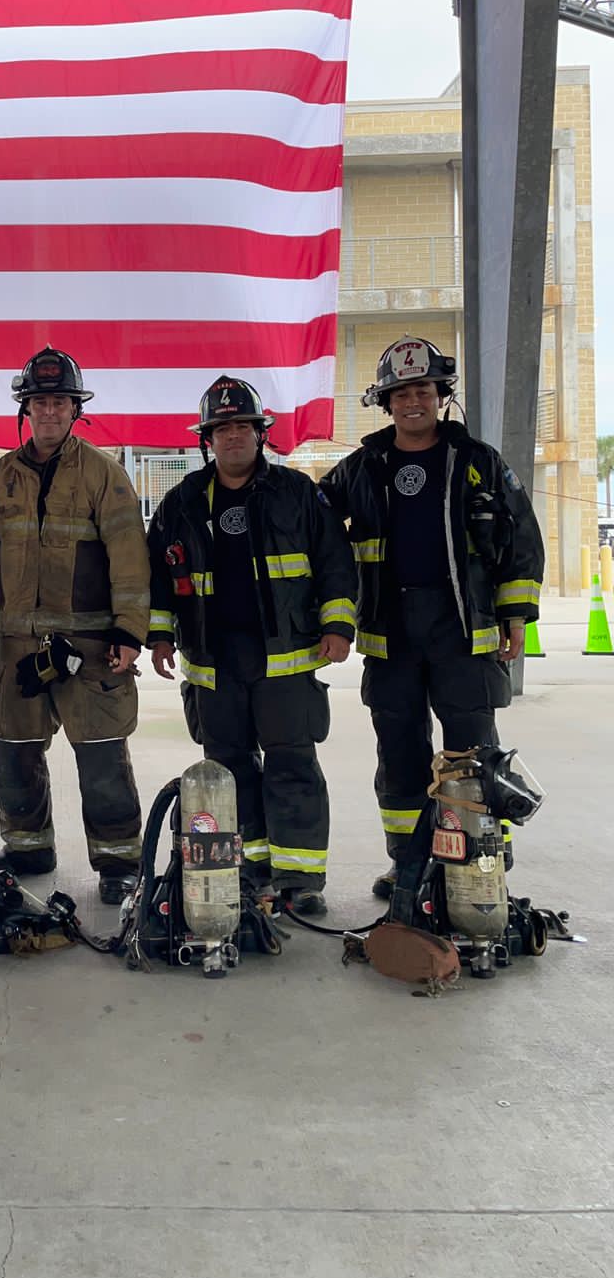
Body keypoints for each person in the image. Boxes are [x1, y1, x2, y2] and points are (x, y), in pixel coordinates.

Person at [320, 336, 545, 898]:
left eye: (423, 389)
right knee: (399, 755)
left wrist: (516, 614)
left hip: (463, 632)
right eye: (400, 393)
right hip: (388, 634)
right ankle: (409, 862)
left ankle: (483, 856)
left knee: (472, 750)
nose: (412, 401)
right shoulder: (362, 468)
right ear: (386, 402)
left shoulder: (478, 463)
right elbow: (313, 525)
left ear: (441, 395)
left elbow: (521, 540)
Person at [146, 376, 357, 916]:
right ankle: (246, 869)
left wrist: (338, 625)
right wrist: (161, 635)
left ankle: (300, 878)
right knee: (228, 769)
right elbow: (158, 578)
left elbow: (335, 561)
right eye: (222, 428)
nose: (233, 436)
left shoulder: (298, 493)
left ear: (261, 434)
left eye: (243, 425)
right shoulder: (182, 503)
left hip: (286, 659)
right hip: (214, 662)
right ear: (207, 440)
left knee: (292, 764)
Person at [0, 347, 149, 904]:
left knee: (103, 758)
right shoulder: (1, 477)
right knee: (13, 754)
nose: (50, 413)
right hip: (19, 646)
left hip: (92, 649)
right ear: (27, 408)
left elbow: (129, 557)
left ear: (74, 410)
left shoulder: (104, 475)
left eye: (60, 402)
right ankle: (28, 848)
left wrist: (129, 632)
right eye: (40, 403)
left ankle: (117, 863)